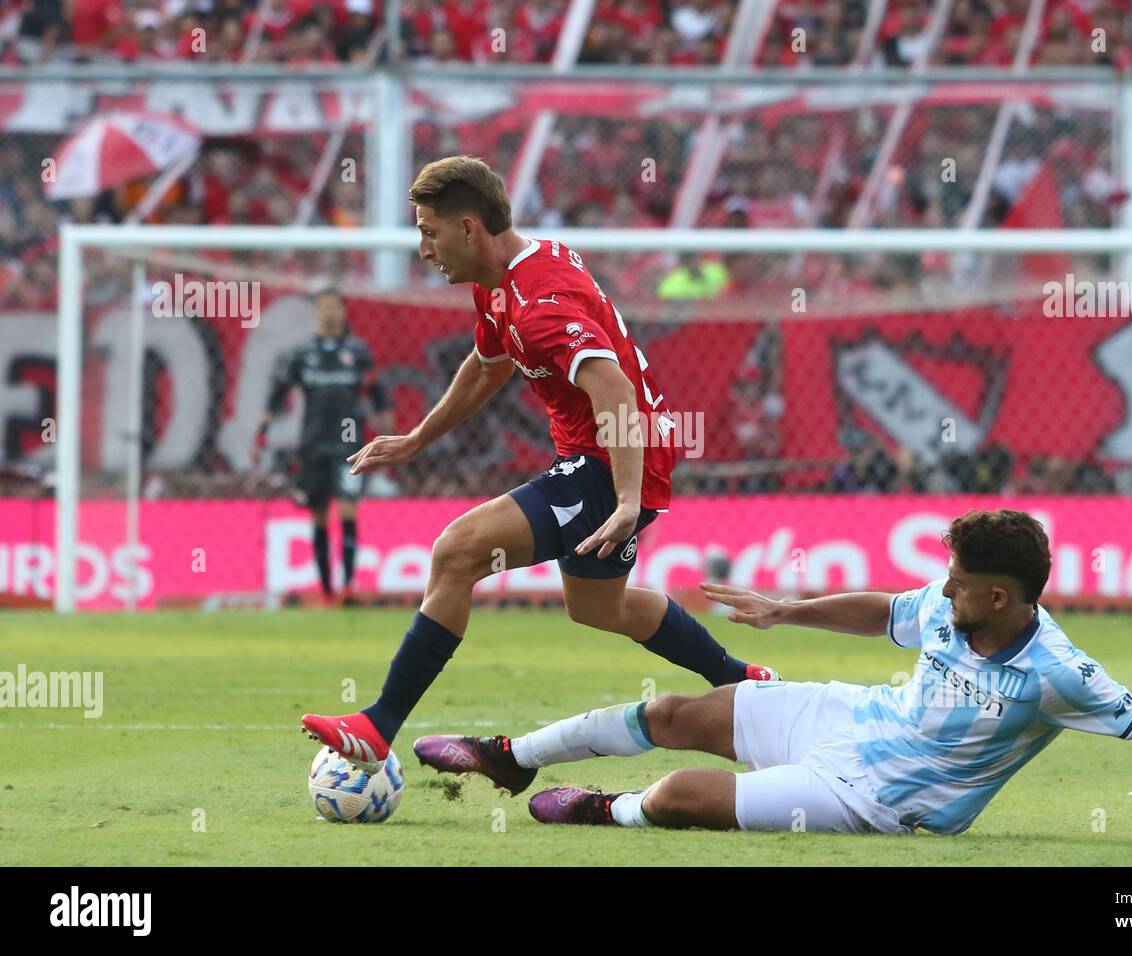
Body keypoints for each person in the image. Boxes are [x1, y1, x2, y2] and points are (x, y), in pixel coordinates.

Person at [302, 155, 776, 771]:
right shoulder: (503, 279)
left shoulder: (541, 303)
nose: (423, 248)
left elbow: (615, 390)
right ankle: (749, 681)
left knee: (456, 552)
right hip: (614, 455)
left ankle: (377, 724)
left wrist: (627, 502)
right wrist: (419, 437)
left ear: (469, 229)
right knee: (597, 607)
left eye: (429, 232)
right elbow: (488, 363)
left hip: (612, 461)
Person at [413, 509, 1132, 843]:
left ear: (1000, 596)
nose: (945, 588)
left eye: (960, 581)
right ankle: (510, 756)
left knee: (680, 794)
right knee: (676, 713)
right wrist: (785, 611)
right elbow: (883, 611)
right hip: (852, 718)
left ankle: (608, 809)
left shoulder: (1059, 673)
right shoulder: (948, 604)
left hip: (882, 800)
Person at [255, 287, 393, 604]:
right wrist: (262, 429)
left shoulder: (357, 353)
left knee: (347, 508)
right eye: (324, 307)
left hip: (349, 446)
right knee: (318, 514)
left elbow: (378, 395)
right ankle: (327, 590)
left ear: (343, 312)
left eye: (335, 307)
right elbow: (278, 393)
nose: (329, 312)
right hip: (313, 443)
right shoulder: (302, 354)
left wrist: (392, 433)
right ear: (316, 311)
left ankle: (347, 585)